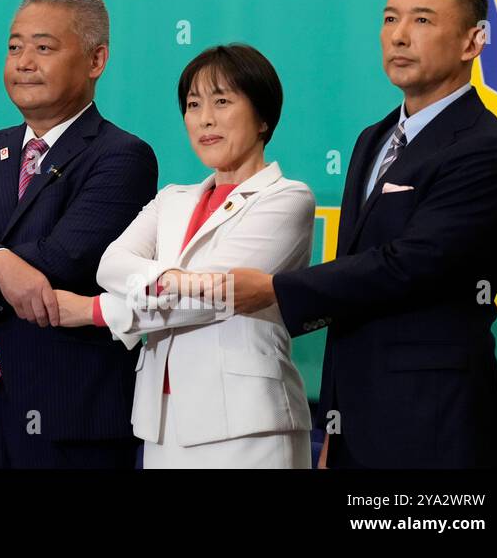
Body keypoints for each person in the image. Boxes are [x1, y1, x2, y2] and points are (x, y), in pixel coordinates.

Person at [232, 0, 497, 468]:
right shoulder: (374, 139)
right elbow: (355, 293)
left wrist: (275, 290)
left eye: (422, 20)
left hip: (433, 428)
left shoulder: (485, 149)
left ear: (472, 42)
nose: (398, 35)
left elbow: (408, 266)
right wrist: (334, 430)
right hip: (357, 425)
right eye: (390, 18)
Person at [0, 0, 157, 468]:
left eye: (44, 47)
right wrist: (1, 264)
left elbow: (65, 258)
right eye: (14, 47)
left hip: (71, 404)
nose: (24, 62)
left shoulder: (121, 155)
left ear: (96, 60)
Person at [56, 44, 314, 468]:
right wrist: (177, 279)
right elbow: (111, 264)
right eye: (193, 105)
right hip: (162, 417)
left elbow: (212, 298)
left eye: (222, 101)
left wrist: (96, 310)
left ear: (264, 116)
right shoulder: (172, 199)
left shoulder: (287, 199)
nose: (205, 119)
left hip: (250, 423)